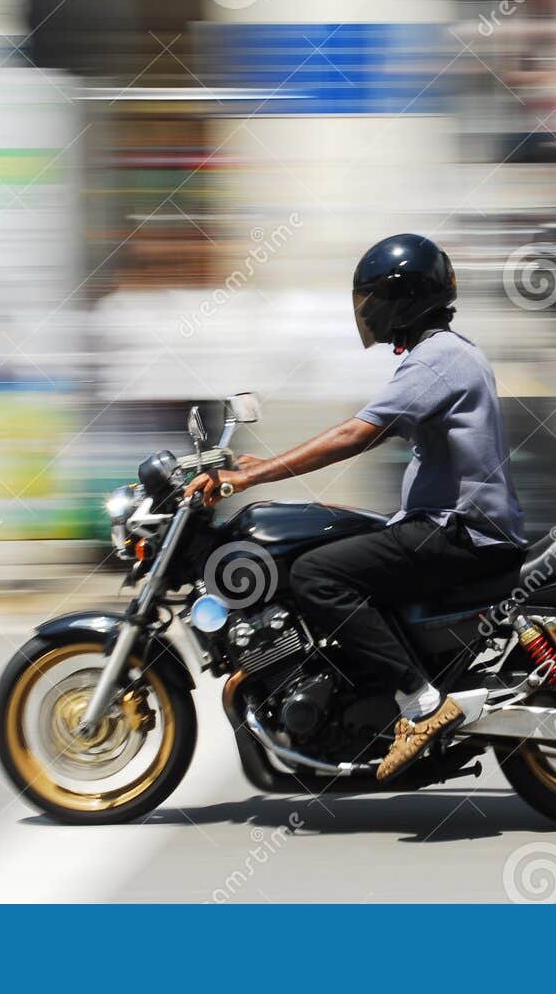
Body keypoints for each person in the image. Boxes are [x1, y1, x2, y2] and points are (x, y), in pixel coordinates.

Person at [184, 233, 526, 781]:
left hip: (459, 533)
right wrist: (254, 470)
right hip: (451, 527)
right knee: (334, 545)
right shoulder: (444, 353)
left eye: (371, 300)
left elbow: (355, 434)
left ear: (403, 297)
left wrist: (251, 476)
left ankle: (421, 704)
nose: (365, 313)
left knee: (316, 572)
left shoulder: (438, 359)